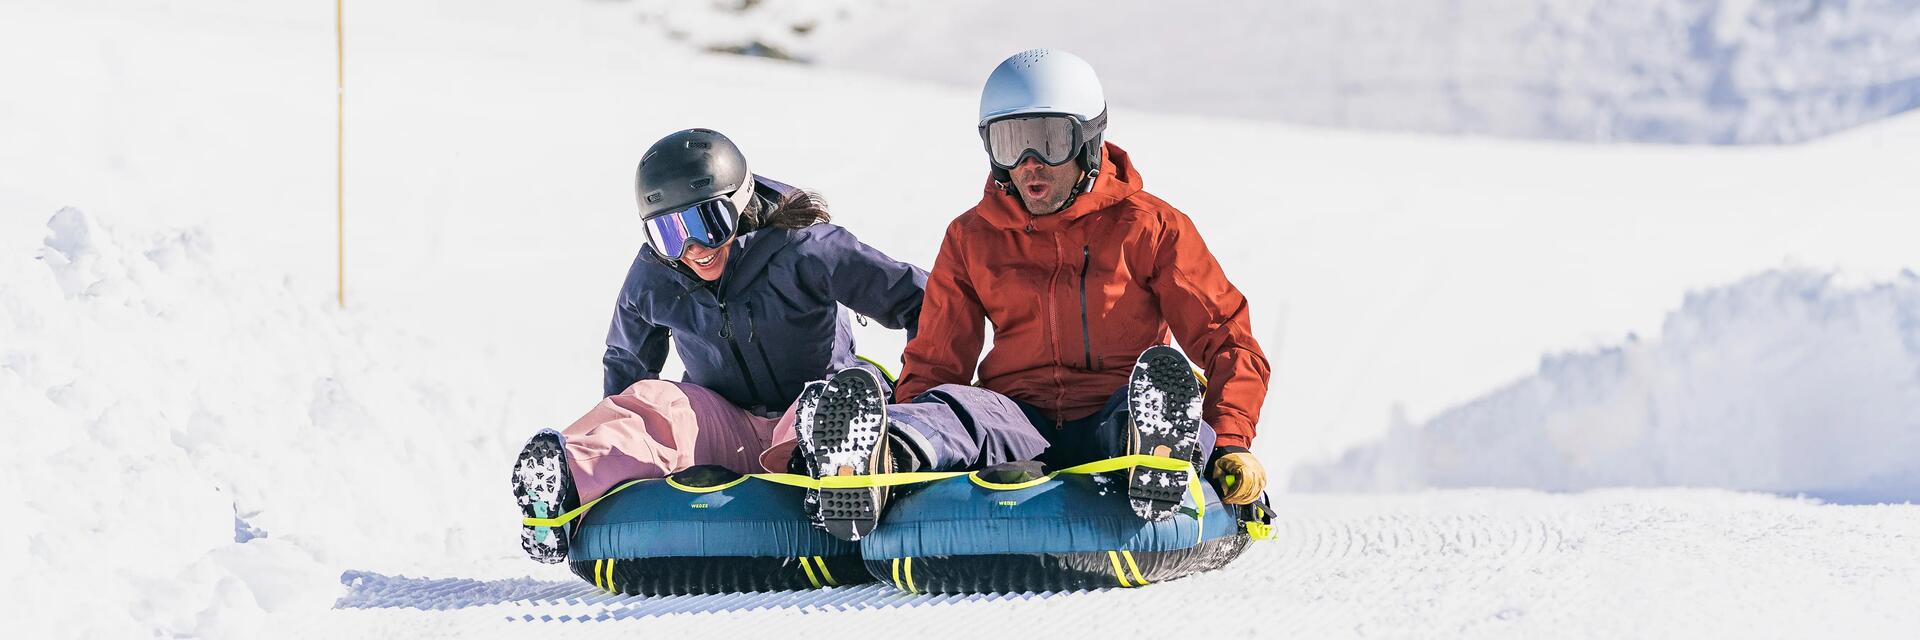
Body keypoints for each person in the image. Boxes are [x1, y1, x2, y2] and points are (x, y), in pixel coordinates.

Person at [793, 49, 1272, 540]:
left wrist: (1232, 439)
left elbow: (1226, 336)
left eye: (1048, 141)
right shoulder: (972, 237)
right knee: (961, 410)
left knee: (1139, 406)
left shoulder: (1149, 227)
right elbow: (937, 358)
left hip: (1114, 404)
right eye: (1009, 144)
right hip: (1018, 414)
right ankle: (881, 453)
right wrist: (912, 409)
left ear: (1088, 140)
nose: (1028, 164)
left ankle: (1157, 455)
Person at [509, 128, 929, 563]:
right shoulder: (656, 276)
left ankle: (834, 470)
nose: (692, 248)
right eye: (668, 234)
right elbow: (626, 362)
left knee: (823, 409)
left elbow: (922, 301)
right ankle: (567, 481)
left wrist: (920, 391)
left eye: (707, 224)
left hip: (813, 411)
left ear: (740, 203)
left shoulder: (805, 247)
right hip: (726, 425)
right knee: (657, 403)